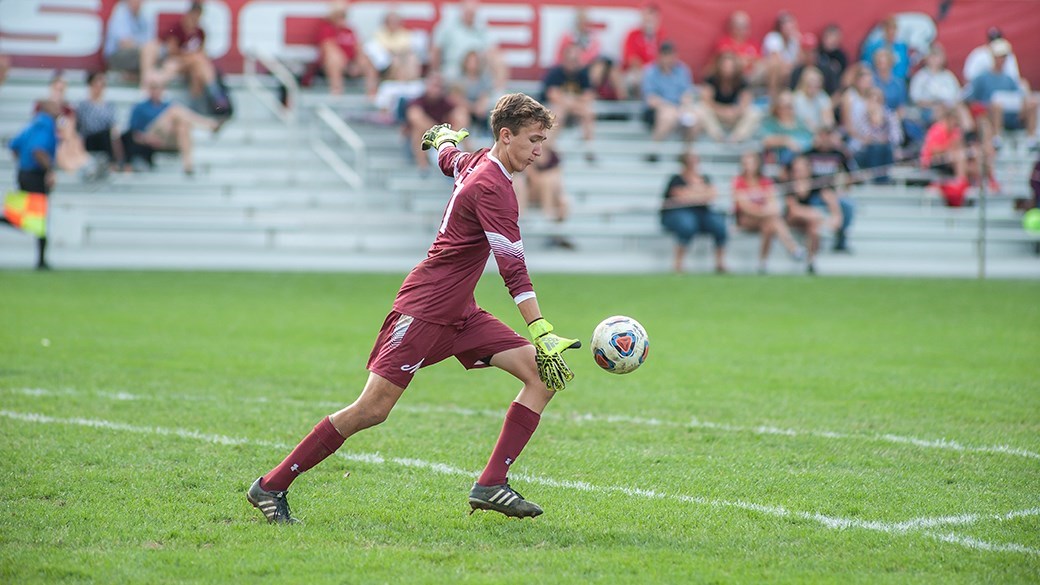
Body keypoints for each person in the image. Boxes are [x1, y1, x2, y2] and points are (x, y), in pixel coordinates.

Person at [246, 93, 583, 524]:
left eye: (543, 140)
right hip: (424, 309)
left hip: (461, 311)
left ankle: (490, 484)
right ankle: (270, 486)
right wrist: (541, 328)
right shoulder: (493, 186)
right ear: (505, 135)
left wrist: (441, 140)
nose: (541, 150)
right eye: (534, 139)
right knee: (372, 409)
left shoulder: (478, 162)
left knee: (541, 375)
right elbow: (513, 269)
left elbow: (450, 160)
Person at [122, 77, 223, 175]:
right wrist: (147, 139)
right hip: (151, 135)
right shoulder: (140, 107)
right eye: (153, 87)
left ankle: (188, 165)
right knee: (174, 110)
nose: (156, 91)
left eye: (158, 87)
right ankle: (210, 124)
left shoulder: (165, 105)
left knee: (182, 125)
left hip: (168, 136)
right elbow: (132, 133)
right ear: (149, 89)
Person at [7, 101, 59, 270]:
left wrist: (23, 163)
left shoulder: (32, 124)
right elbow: (38, 150)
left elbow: (14, 145)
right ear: (46, 109)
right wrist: (49, 170)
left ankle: (41, 260)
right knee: (38, 218)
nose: (58, 107)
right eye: (54, 105)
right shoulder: (46, 125)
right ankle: (41, 260)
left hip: (24, 173)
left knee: (26, 216)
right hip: (36, 175)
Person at [731, 150, 803, 274]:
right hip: (745, 219)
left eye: (751, 162)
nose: (748, 166)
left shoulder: (765, 181)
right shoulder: (739, 181)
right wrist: (764, 212)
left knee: (769, 225)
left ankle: (763, 262)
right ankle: (792, 248)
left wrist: (765, 212)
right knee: (772, 219)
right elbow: (745, 207)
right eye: (746, 163)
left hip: (765, 218)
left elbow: (774, 204)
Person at [660, 151, 728, 273]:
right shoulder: (676, 179)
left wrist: (693, 193)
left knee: (719, 225)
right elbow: (681, 197)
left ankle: (720, 263)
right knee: (687, 225)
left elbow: (712, 195)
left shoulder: (705, 177)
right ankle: (678, 263)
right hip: (678, 212)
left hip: (701, 212)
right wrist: (700, 192)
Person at [965, 39, 1038, 150]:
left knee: (1032, 103)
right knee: (997, 105)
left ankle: (1031, 139)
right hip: (990, 115)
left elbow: (1019, 95)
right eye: (1000, 57)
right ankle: (996, 138)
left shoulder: (1009, 79)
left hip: (1011, 115)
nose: (1002, 60)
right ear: (994, 57)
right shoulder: (982, 78)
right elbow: (971, 98)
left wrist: (1024, 104)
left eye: (1004, 57)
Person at [431, 0, 508, 92]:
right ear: (461, 9)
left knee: (499, 60)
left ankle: (498, 95)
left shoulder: (482, 28)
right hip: (455, 69)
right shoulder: (447, 26)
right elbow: (436, 50)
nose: (470, 14)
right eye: (468, 11)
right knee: (452, 78)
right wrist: (435, 72)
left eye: (473, 12)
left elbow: (493, 50)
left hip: (478, 71)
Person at [641, 41, 697, 160]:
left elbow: (687, 93)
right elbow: (651, 99)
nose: (667, 59)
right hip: (656, 110)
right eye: (665, 55)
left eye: (670, 55)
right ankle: (654, 150)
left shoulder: (682, 70)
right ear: (659, 56)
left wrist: (684, 106)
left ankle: (686, 153)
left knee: (694, 118)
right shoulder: (650, 72)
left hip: (678, 108)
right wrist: (670, 107)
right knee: (668, 116)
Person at [784, 155, 839, 274]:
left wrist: (836, 217)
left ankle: (811, 259)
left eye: (801, 169)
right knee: (815, 220)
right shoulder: (789, 185)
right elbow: (793, 210)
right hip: (792, 219)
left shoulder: (816, 183)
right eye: (796, 169)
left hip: (809, 221)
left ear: (808, 169)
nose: (798, 172)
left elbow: (831, 199)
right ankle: (806, 255)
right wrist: (816, 214)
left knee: (814, 227)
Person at [404, 73, 469, 172]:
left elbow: (461, 116)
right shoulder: (418, 101)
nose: (435, 89)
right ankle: (423, 165)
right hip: (417, 142)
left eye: (438, 86)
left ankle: (466, 166)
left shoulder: (445, 101)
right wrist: (438, 132)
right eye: (433, 86)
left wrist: (451, 131)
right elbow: (414, 116)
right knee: (418, 130)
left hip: (439, 139)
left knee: (463, 132)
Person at [803, 128, 856, 251]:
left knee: (848, 206)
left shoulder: (838, 154)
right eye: (822, 136)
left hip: (832, 193)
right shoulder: (809, 153)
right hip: (813, 193)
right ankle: (817, 239)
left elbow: (850, 174)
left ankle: (841, 238)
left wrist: (844, 190)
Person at [515, 143, 575, 250]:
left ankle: (556, 234)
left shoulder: (554, 153)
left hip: (550, 190)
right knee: (547, 181)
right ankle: (549, 223)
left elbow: (558, 178)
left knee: (563, 201)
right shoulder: (530, 152)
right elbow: (532, 178)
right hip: (531, 191)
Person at [312, 0, 377, 96]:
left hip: (351, 62)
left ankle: (372, 93)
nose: (342, 18)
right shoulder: (326, 28)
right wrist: (346, 65)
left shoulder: (349, 30)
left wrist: (356, 63)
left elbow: (358, 47)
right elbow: (328, 48)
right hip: (331, 65)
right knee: (334, 59)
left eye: (343, 15)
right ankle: (337, 91)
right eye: (339, 15)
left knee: (367, 61)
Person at [541, 43, 596, 154]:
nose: (573, 62)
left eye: (575, 59)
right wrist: (573, 101)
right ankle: (549, 145)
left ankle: (589, 147)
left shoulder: (583, 74)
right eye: (571, 59)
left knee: (588, 112)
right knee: (558, 112)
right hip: (555, 107)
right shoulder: (555, 72)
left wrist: (570, 101)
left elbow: (589, 95)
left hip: (573, 108)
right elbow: (552, 95)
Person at [695, 51, 760, 143]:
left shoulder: (742, 80)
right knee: (701, 109)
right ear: (719, 66)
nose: (727, 69)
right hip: (716, 113)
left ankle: (737, 138)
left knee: (754, 112)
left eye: (730, 66)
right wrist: (722, 110)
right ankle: (718, 137)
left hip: (735, 114)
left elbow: (746, 101)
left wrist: (735, 111)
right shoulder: (711, 79)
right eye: (725, 66)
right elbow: (706, 100)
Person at [850, 87, 902, 183]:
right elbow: (864, 137)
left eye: (878, 100)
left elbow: (897, 137)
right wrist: (875, 122)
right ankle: (880, 181)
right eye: (871, 100)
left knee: (884, 148)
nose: (874, 104)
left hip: (885, 151)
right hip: (863, 152)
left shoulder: (890, 116)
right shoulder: (861, 116)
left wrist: (881, 122)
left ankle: (881, 180)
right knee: (876, 147)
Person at [77, 71, 124, 171]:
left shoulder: (109, 105)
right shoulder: (83, 105)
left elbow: (114, 125)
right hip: (90, 139)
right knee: (106, 134)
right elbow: (86, 125)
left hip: (106, 138)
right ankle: (112, 162)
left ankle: (122, 162)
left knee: (121, 136)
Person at [104, 0, 159, 80]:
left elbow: (151, 42)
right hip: (117, 56)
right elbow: (123, 44)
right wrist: (144, 48)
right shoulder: (121, 11)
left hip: (139, 54)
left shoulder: (146, 12)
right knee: (149, 53)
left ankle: (144, 79)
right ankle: (147, 82)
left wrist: (145, 49)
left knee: (160, 57)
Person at [620, 3, 664, 98]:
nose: (649, 22)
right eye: (647, 19)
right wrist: (648, 71)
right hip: (638, 72)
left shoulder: (661, 37)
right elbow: (631, 59)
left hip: (657, 73)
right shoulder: (633, 35)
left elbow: (664, 59)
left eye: (652, 19)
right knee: (636, 79)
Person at [909, 44, 961, 123]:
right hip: (927, 109)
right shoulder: (920, 77)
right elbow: (915, 97)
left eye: (937, 56)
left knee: (961, 110)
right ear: (927, 59)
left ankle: (969, 134)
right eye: (932, 56)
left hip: (949, 107)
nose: (935, 59)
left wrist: (947, 104)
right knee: (939, 111)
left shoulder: (948, 76)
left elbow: (957, 95)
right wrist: (933, 104)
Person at [759, 90, 813, 166]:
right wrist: (786, 141)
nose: (789, 110)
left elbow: (811, 139)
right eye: (785, 106)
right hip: (780, 162)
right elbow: (765, 140)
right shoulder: (770, 123)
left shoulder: (801, 122)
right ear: (777, 107)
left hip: (804, 159)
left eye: (791, 106)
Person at [714, 11, 762, 84]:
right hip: (732, 79)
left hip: (752, 77)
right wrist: (744, 60)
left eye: (745, 26)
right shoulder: (724, 42)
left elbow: (759, 61)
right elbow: (722, 61)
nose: (741, 30)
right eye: (739, 26)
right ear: (732, 27)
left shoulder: (754, 44)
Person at [761, 11, 801, 98]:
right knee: (776, 65)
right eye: (786, 25)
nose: (789, 28)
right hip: (769, 69)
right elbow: (776, 58)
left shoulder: (794, 41)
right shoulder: (773, 37)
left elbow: (799, 60)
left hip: (789, 69)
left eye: (792, 26)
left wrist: (799, 40)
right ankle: (772, 95)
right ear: (780, 27)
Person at [792, 66, 835, 133]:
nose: (814, 84)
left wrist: (826, 124)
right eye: (811, 81)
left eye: (817, 81)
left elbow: (829, 121)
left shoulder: (823, 97)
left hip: (821, 134)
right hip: (801, 132)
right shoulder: (796, 98)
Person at [815, 24, 848, 96]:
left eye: (833, 37)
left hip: (834, 87)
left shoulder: (841, 56)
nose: (830, 40)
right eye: (828, 36)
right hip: (817, 86)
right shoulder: (817, 52)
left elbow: (844, 76)